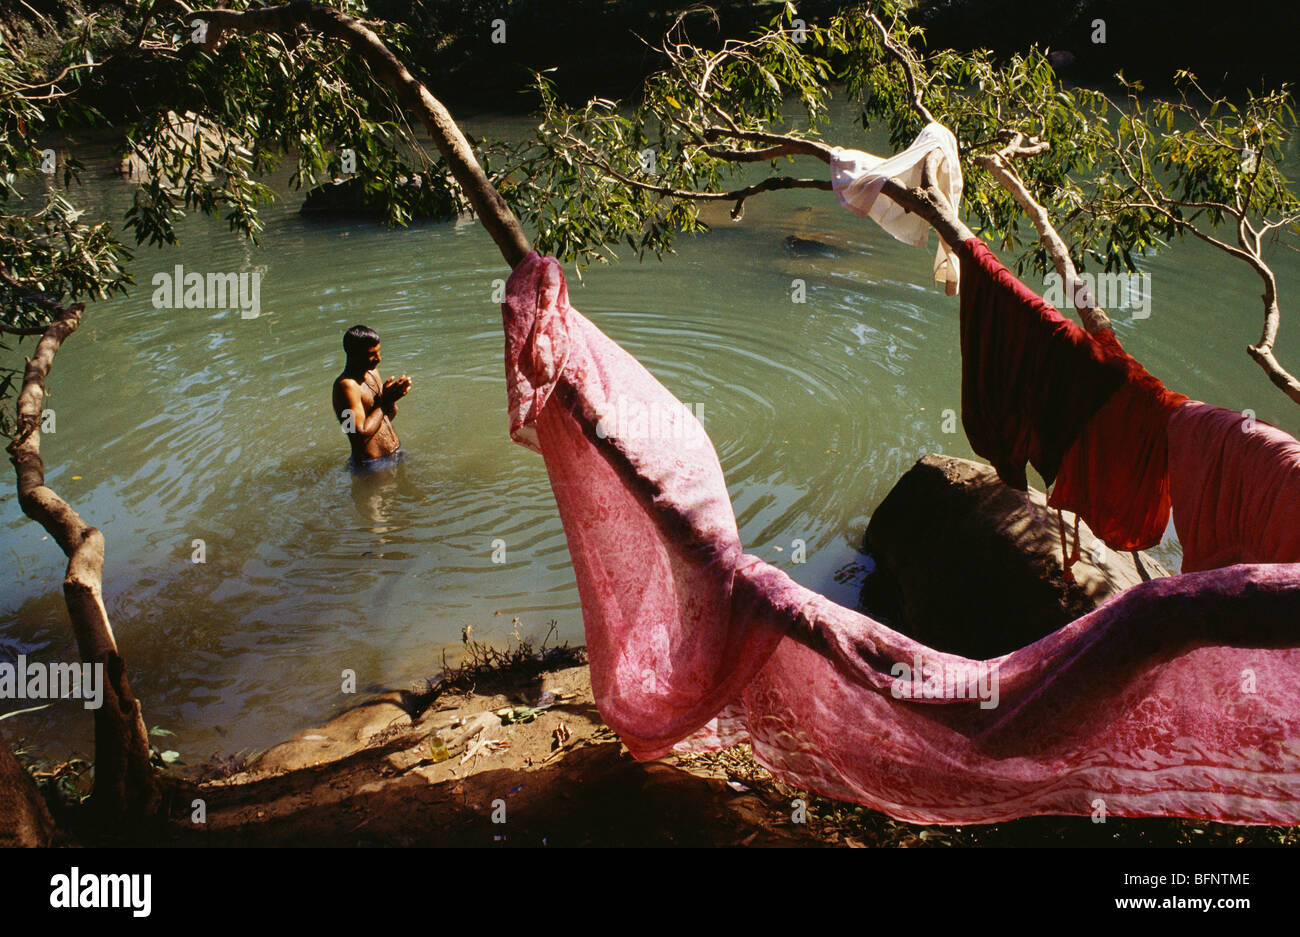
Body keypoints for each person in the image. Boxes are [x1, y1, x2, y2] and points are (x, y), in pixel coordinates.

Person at [332, 325, 411, 471]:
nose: (378, 359)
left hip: (395, 452)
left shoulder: (373, 372)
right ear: (354, 355)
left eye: (378, 352)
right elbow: (357, 435)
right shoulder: (345, 386)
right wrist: (385, 402)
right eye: (371, 354)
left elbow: (387, 416)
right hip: (370, 465)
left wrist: (393, 398)